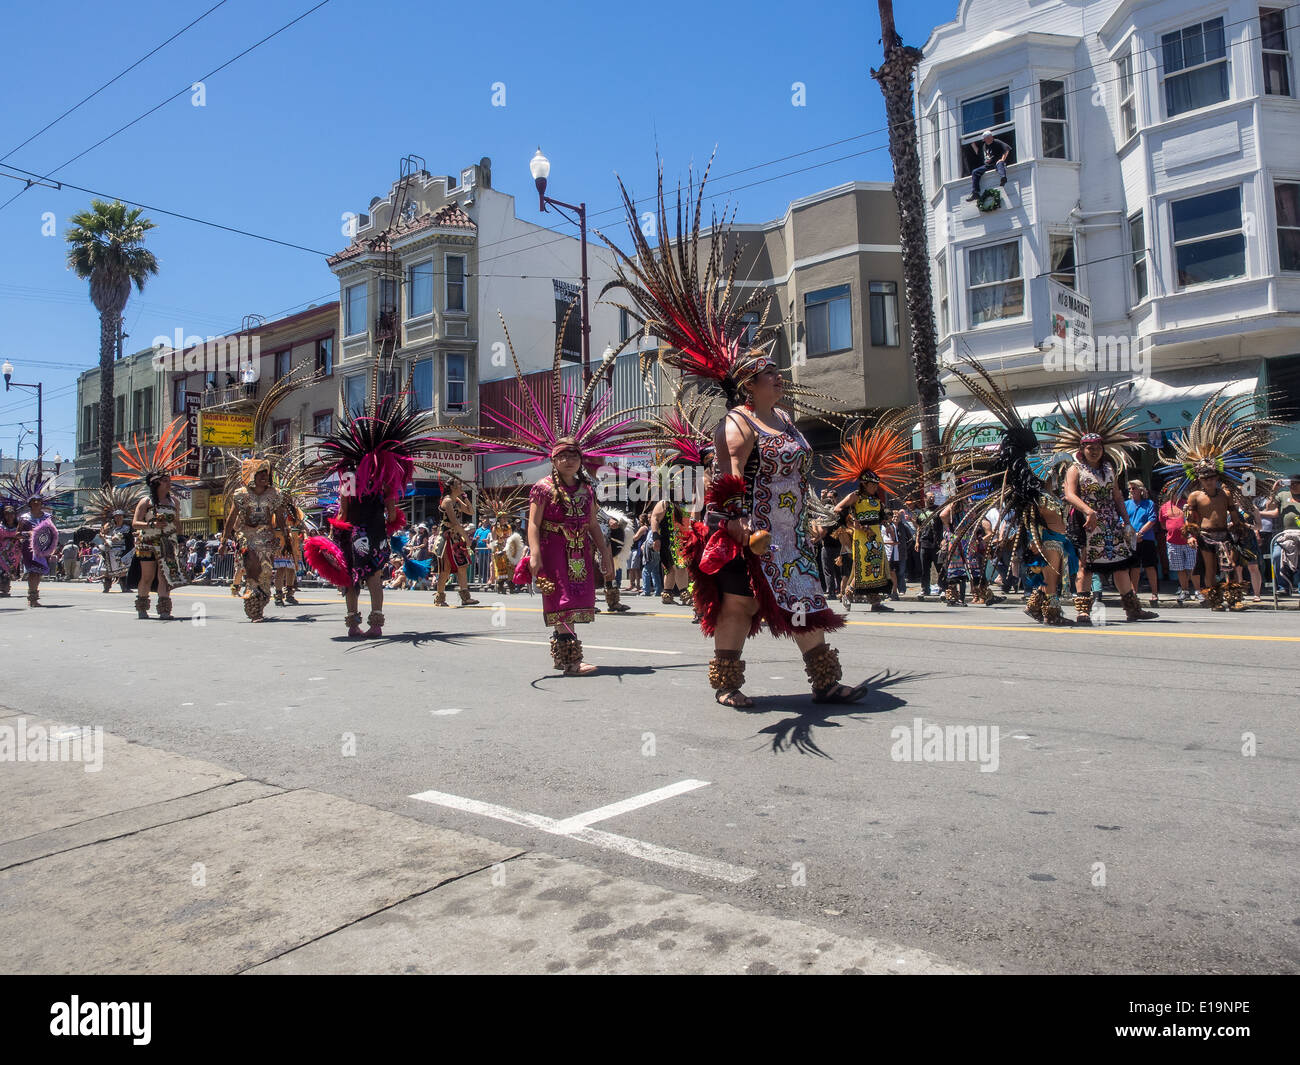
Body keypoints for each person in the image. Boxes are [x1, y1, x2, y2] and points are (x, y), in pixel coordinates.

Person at [302, 393, 427, 637]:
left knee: (350, 578)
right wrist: (389, 521)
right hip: (376, 532)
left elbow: (344, 510)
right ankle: (376, 624)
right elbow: (391, 513)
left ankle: (353, 625)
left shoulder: (348, 476)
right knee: (375, 578)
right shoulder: (385, 477)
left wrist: (333, 532)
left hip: (352, 532)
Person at [1155, 388, 1283, 612]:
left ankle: (1233, 598)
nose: (1209, 481)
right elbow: (1189, 518)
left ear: (1217, 477)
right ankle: (1215, 600)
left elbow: (1233, 512)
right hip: (1204, 536)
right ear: (1200, 480)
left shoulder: (1225, 493)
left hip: (1225, 533)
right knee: (1210, 568)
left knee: (1231, 566)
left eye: (1212, 477)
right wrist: (1191, 535)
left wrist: (1240, 527)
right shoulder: (1195, 496)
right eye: (1205, 478)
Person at [1053, 388, 1156, 624]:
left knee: (1120, 565)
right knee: (1086, 566)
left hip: (1111, 522)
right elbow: (1068, 494)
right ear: (1082, 449)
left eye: (1097, 446)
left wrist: (1127, 522)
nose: (1094, 450)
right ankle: (1083, 611)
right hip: (1087, 523)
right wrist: (1088, 510)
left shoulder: (1110, 469)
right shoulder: (1075, 468)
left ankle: (1132, 609)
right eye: (1089, 447)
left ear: (1103, 448)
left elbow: (1118, 496)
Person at [115, 419, 195, 620]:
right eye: (166, 480)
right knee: (148, 576)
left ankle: (165, 610)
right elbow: (134, 523)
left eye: (170, 480)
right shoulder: (146, 501)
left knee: (165, 577)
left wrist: (179, 534)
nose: (169, 483)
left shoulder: (173, 501)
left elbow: (176, 522)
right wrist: (151, 524)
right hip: (148, 543)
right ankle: (142, 607)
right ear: (156, 483)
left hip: (167, 543)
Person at [830, 421, 913, 613]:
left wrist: (887, 522)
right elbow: (837, 509)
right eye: (873, 484)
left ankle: (875, 602)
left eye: (876, 484)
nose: (876, 487)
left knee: (877, 567)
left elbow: (883, 513)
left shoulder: (875, 499)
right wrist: (852, 522)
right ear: (865, 484)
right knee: (863, 567)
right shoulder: (855, 496)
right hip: (861, 535)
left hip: (875, 534)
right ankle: (848, 593)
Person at [221, 459, 291, 622]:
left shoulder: (275, 494)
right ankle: (254, 611)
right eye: (260, 474)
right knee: (253, 571)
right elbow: (231, 519)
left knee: (266, 572)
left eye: (266, 474)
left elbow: (280, 517)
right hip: (247, 538)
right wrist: (224, 541)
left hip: (267, 539)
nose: (263, 477)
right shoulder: (241, 494)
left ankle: (259, 603)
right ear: (252, 475)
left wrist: (286, 537)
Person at [433, 477, 480, 607]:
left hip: (456, 538)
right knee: (445, 570)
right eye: (459, 485)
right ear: (452, 487)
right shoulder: (448, 501)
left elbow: (470, 511)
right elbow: (455, 522)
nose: (461, 486)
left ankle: (465, 597)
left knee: (462, 566)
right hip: (447, 538)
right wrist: (466, 537)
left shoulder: (456, 500)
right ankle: (439, 597)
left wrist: (465, 497)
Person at [1158, 487, 1199, 604]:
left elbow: (1195, 520)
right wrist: (1172, 529)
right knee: (1179, 568)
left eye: (1177, 492)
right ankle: (1185, 591)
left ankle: (1197, 591)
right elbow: (1162, 524)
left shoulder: (1187, 504)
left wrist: (1191, 535)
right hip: (1173, 542)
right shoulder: (1164, 506)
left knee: (1192, 567)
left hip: (1189, 541)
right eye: (1172, 492)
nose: (1174, 494)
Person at [1125, 479, 1160, 605]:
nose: (1131, 490)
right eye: (1130, 488)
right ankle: (1133, 592)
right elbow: (1122, 520)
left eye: (1133, 488)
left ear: (1140, 490)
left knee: (1149, 565)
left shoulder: (1149, 503)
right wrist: (1131, 534)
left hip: (1146, 538)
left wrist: (1140, 533)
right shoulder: (1126, 504)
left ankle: (1154, 593)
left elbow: (1152, 519)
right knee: (1134, 566)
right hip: (1131, 538)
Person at [966, 129, 1011, 202]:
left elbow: (1006, 149)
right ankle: (975, 192)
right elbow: (979, 153)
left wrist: (1002, 159)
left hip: (996, 162)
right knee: (975, 172)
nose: (987, 140)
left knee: (999, 164)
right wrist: (972, 144)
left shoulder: (996, 142)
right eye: (985, 139)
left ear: (991, 137)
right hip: (988, 165)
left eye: (988, 138)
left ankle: (1003, 178)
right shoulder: (984, 146)